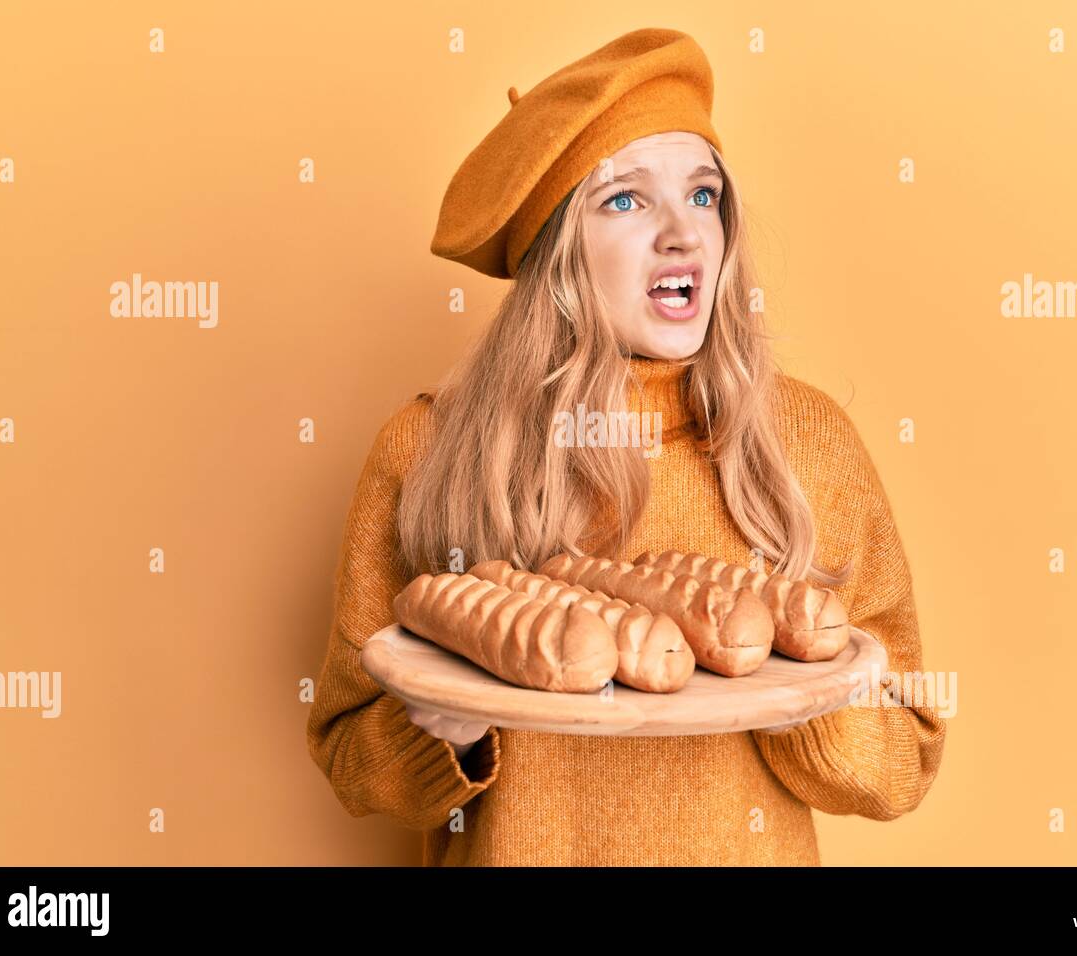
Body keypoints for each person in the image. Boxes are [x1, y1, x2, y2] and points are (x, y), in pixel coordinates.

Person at [305, 27, 947, 866]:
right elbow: (349, 756)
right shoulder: (430, 448)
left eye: (703, 196)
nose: (683, 235)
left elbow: (908, 759)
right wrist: (445, 730)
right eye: (625, 200)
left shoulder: (810, 443)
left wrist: (795, 687)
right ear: (558, 253)